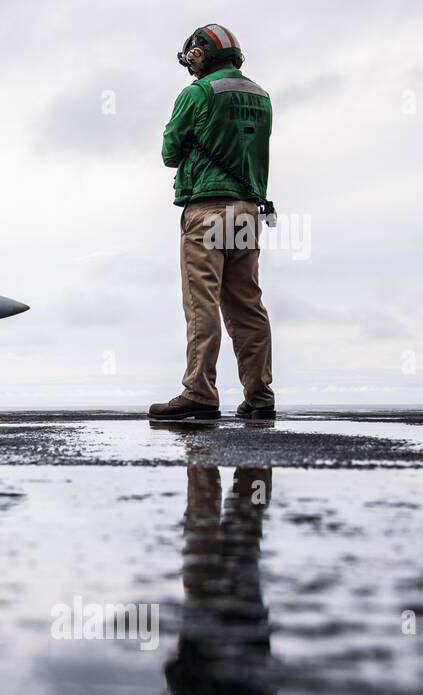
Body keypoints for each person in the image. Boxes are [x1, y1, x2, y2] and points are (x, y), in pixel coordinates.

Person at [149, 24, 276, 421]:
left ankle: (200, 392)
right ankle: (259, 396)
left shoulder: (197, 93)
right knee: (247, 306)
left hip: (206, 210)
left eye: (191, 55)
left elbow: (170, 151)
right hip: (247, 211)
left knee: (202, 302)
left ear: (200, 54)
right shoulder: (262, 97)